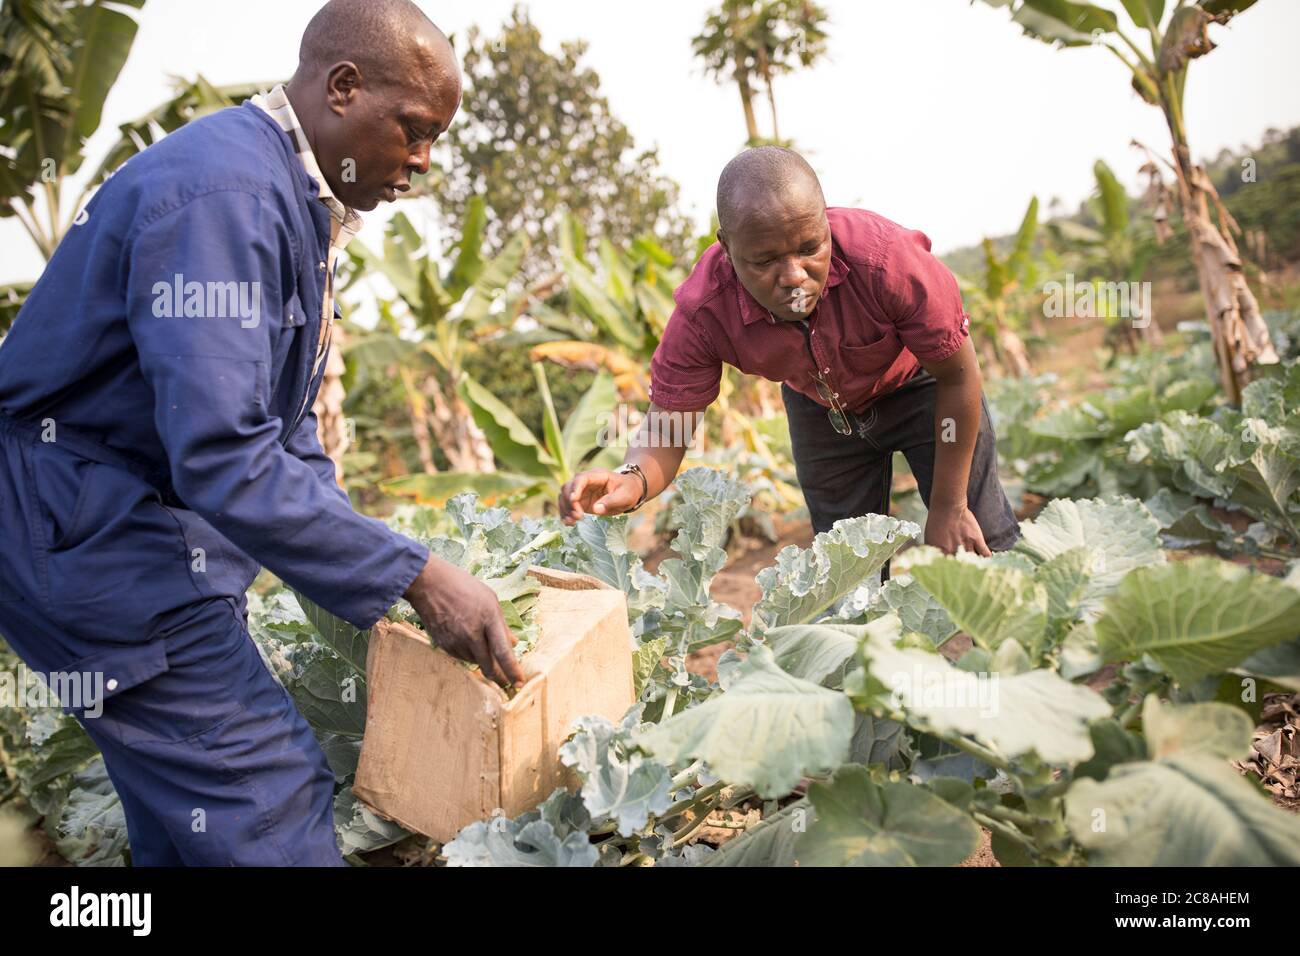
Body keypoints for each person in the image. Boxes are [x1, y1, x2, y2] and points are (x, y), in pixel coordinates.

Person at [0, 0, 523, 867]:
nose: (423, 162)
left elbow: (286, 443)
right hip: (85, 532)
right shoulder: (227, 198)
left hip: (106, 525)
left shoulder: (282, 196)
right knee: (266, 793)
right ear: (343, 88)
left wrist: (386, 572)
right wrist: (423, 577)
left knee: (183, 818)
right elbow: (224, 455)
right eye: (415, 128)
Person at [559, 146, 1021, 561]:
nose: (795, 275)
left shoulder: (887, 260)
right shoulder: (704, 311)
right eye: (764, 261)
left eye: (809, 248)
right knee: (841, 577)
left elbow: (959, 377)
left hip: (924, 394)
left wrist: (949, 505)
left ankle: (1016, 652)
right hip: (822, 413)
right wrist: (633, 478)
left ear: (825, 222)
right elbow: (670, 424)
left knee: (982, 540)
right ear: (728, 248)